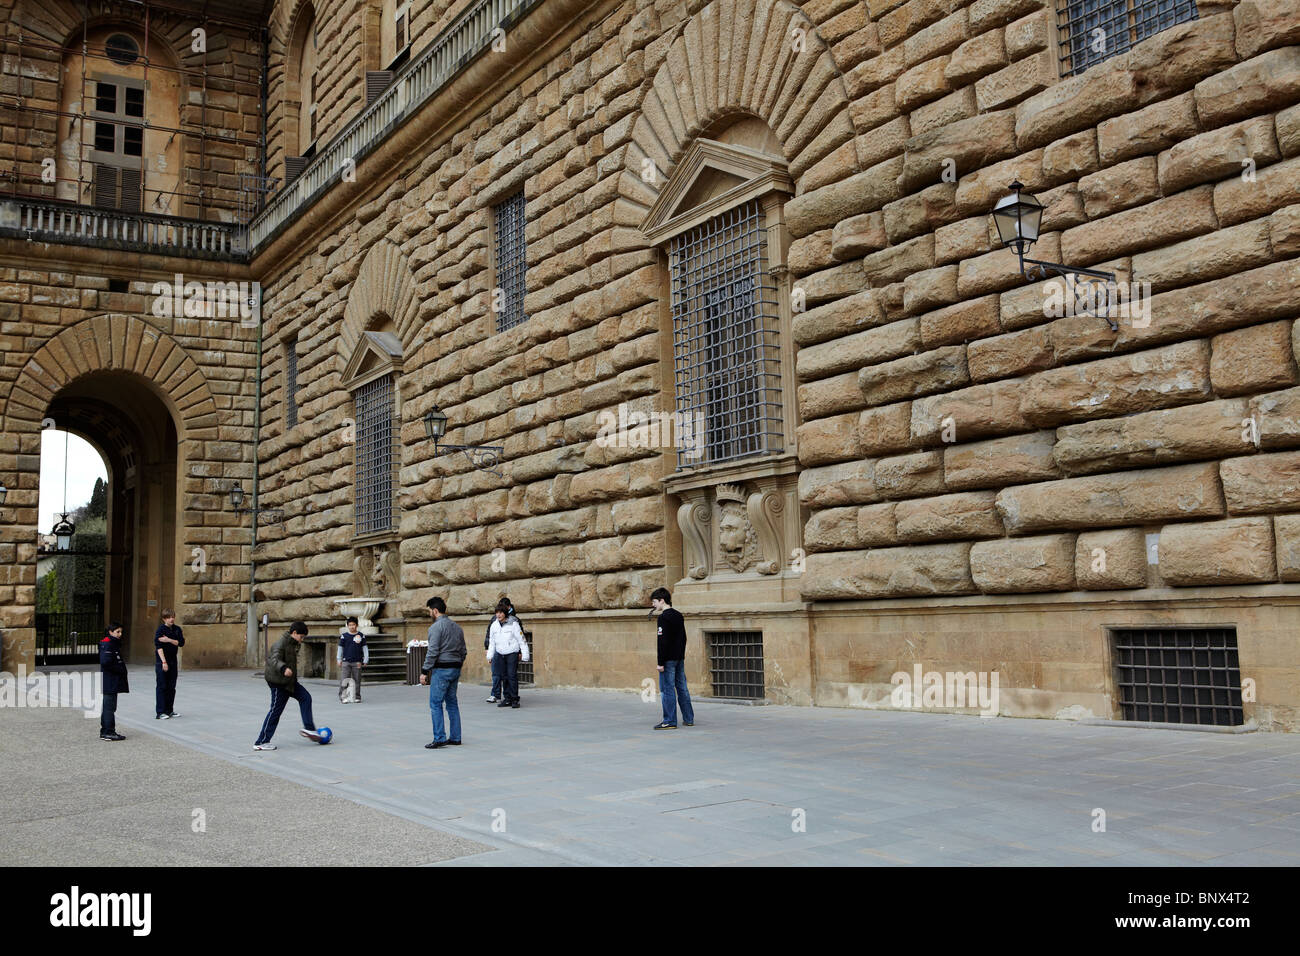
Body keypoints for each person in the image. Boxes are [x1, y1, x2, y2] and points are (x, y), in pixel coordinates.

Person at [253, 622, 322, 751]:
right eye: (301, 637)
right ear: (294, 633)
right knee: (275, 712)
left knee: (306, 698)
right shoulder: (281, 643)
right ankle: (261, 741)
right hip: (279, 683)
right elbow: (274, 660)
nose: (302, 640)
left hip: (289, 682)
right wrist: (284, 668)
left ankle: (309, 728)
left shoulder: (293, 644)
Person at [419, 597, 465, 749]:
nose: (429, 614)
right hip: (455, 668)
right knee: (452, 702)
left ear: (435, 611)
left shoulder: (435, 628)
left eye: (429, 611)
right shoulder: (457, 627)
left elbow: (432, 651)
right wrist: (458, 664)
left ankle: (439, 737)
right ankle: (456, 737)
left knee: (435, 703)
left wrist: (425, 671)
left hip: (442, 669)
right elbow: (463, 651)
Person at [650, 587, 694, 730]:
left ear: (662, 600)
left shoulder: (663, 617)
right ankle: (688, 718)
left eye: (654, 601)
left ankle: (669, 720)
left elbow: (662, 641)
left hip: (668, 659)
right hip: (679, 658)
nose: (653, 605)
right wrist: (680, 655)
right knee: (682, 688)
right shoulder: (678, 615)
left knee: (667, 689)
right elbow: (683, 637)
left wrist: (660, 663)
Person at [486, 598, 529, 709]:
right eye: (497, 613)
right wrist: (490, 655)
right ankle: (507, 698)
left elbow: (521, 640)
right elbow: (492, 642)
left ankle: (515, 699)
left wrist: (524, 655)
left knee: (512, 676)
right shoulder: (494, 625)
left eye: (501, 613)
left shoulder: (513, 623)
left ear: (505, 613)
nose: (499, 615)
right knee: (504, 676)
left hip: (512, 653)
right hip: (500, 654)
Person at [98, 621, 129, 741]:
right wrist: (119, 670)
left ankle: (106, 731)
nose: (120, 634)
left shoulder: (112, 643)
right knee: (109, 707)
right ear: (110, 632)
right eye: (117, 632)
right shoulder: (108, 644)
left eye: (121, 632)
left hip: (111, 679)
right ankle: (108, 731)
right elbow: (106, 662)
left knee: (109, 706)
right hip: (110, 679)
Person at [154, 609, 185, 719]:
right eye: (168, 617)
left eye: (172, 616)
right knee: (162, 686)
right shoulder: (160, 630)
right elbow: (159, 647)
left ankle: (169, 710)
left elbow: (181, 643)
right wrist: (163, 662)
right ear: (164, 619)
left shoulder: (177, 629)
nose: (171, 619)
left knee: (171, 687)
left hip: (173, 661)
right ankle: (160, 712)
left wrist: (168, 640)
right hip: (162, 662)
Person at [337, 616, 368, 703]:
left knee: (357, 679)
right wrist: (339, 659)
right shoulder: (344, 636)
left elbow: (365, 648)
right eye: (350, 625)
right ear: (347, 626)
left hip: (357, 662)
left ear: (357, 625)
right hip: (346, 661)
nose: (352, 626)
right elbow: (340, 648)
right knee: (344, 679)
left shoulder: (361, 636)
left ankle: (356, 696)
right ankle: (343, 696)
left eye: (353, 624)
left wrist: (366, 659)